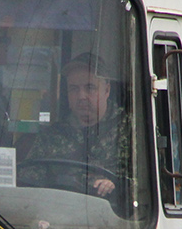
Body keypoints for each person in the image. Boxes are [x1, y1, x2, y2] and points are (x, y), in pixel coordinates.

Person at [24, 53, 132, 198]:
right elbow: (29, 183)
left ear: (106, 90)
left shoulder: (131, 130)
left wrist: (117, 185)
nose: (81, 96)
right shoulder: (52, 135)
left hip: (112, 217)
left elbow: (149, 186)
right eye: (74, 89)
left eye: (90, 88)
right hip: (60, 214)